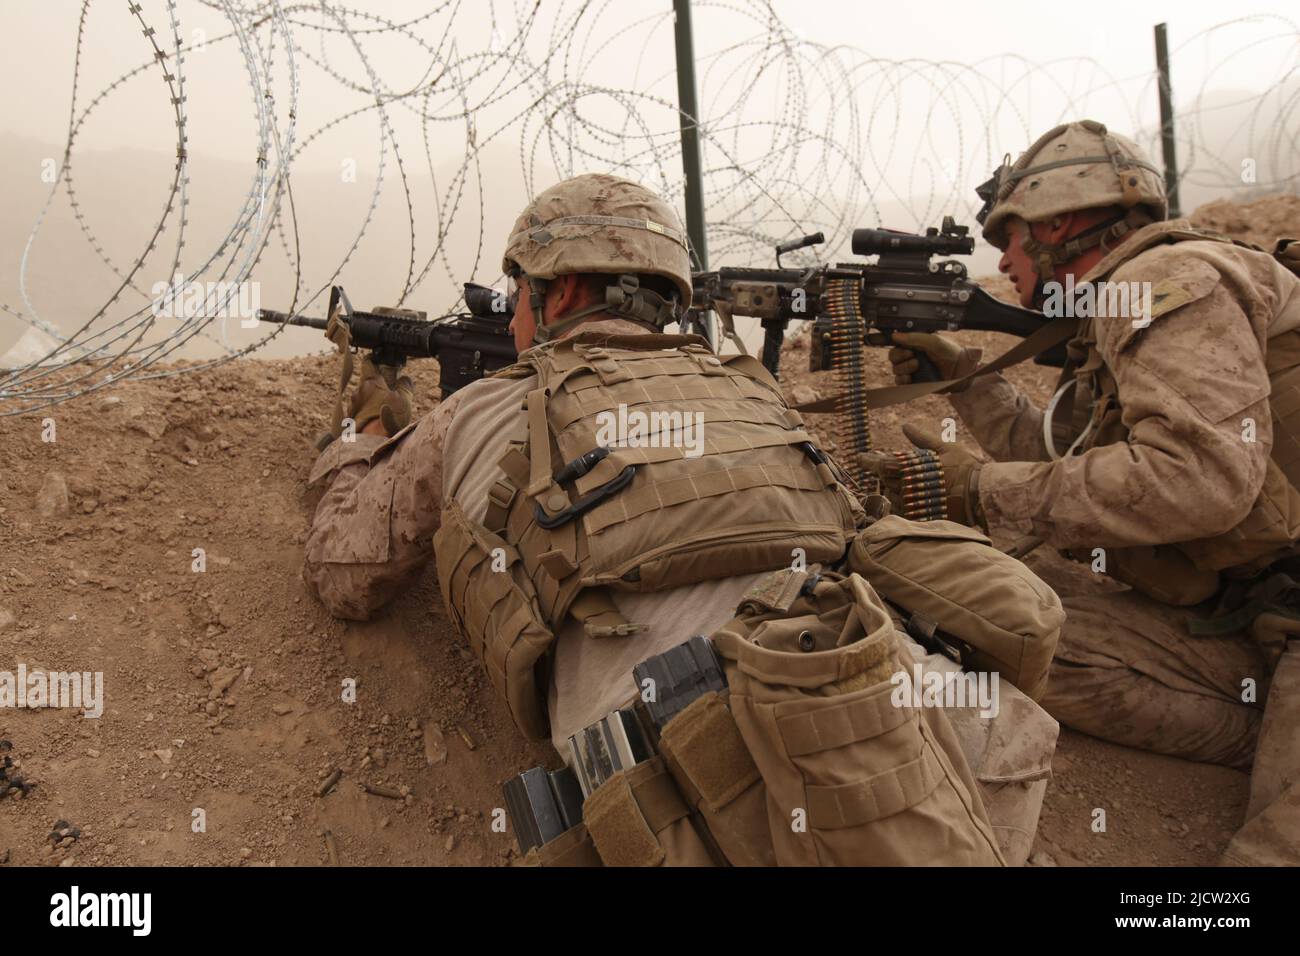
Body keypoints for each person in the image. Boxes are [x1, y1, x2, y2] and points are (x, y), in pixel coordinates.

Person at [300, 172, 1053, 866]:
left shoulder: (475, 412)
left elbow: (345, 572)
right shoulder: (753, 394)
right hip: (943, 739)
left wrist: (366, 431)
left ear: (557, 296)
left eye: (518, 288)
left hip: (712, 797)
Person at [885, 120, 1300, 865]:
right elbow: (1060, 453)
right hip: (1259, 610)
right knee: (1017, 625)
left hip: (1271, 604)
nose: (1002, 259)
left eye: (1009, 236)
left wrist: (977, 490)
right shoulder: (1118, 307)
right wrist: (963, 381)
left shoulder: (1166, 284)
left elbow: (1199, 482)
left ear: (1062, 222)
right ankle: (1271, 727)